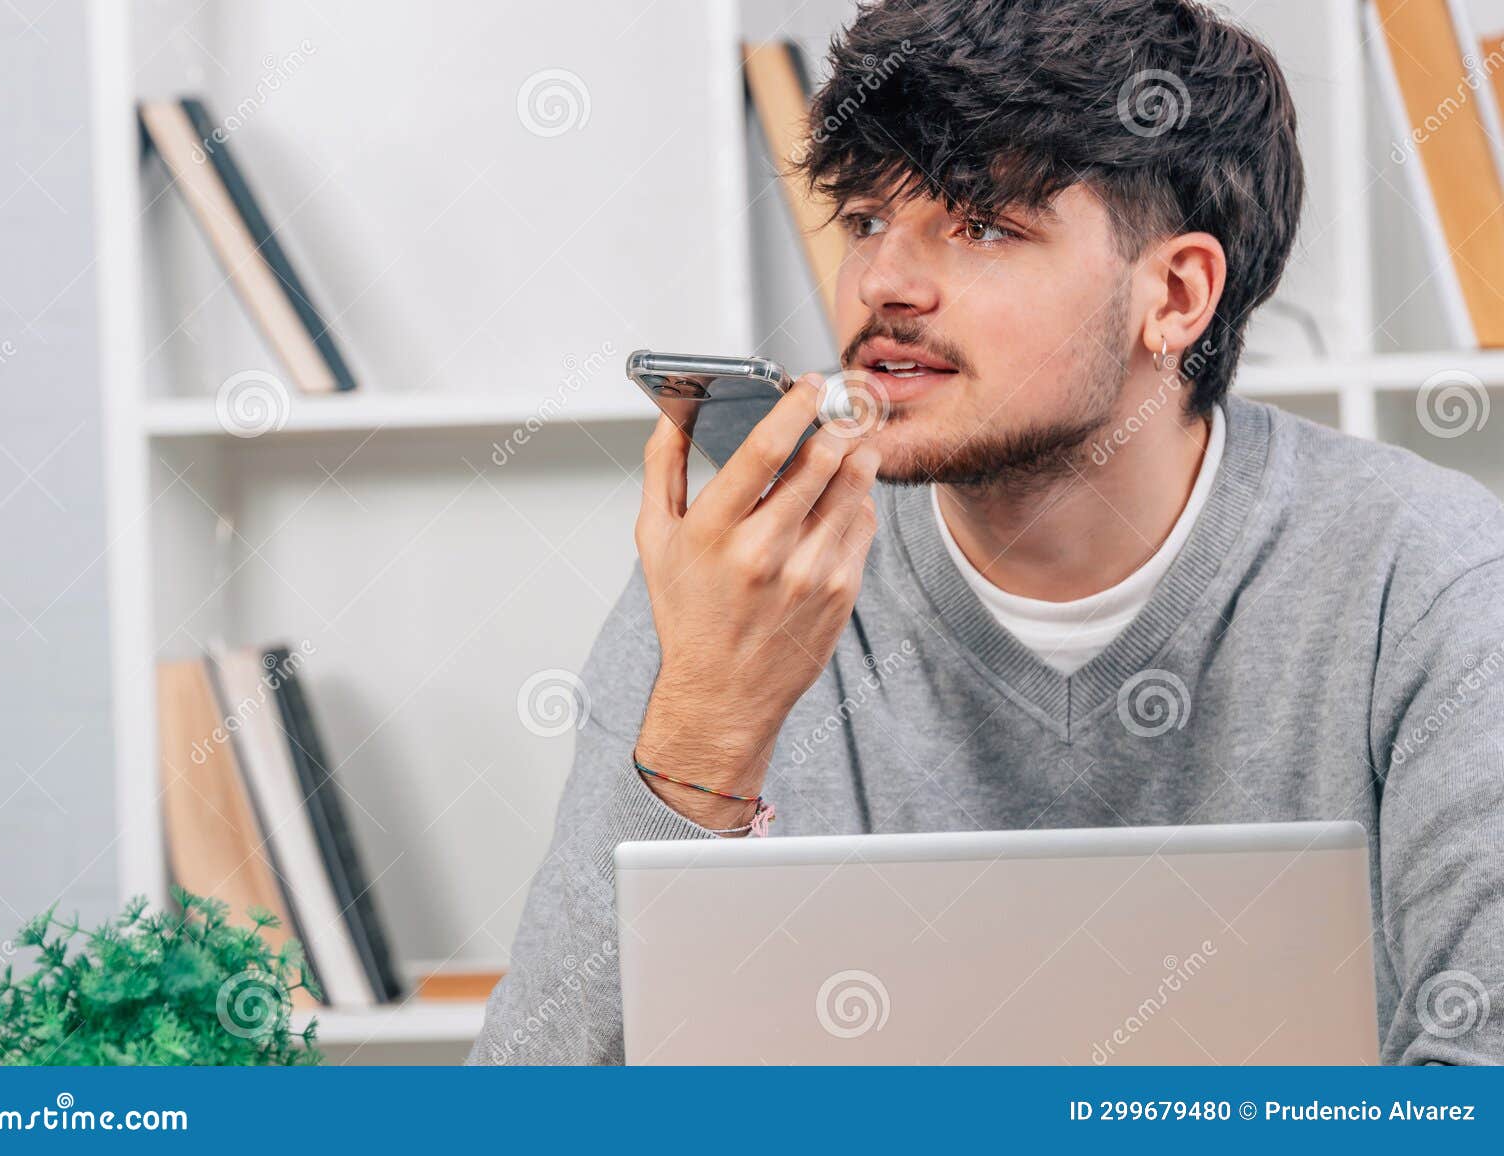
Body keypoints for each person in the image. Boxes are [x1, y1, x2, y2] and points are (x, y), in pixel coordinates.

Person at [472, 0, 1504, 1064]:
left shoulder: (1429, 580)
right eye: (867, 221)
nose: (882, 283)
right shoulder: (739, 578)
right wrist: (703, 738)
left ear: (1178, 294)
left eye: (981, 225)